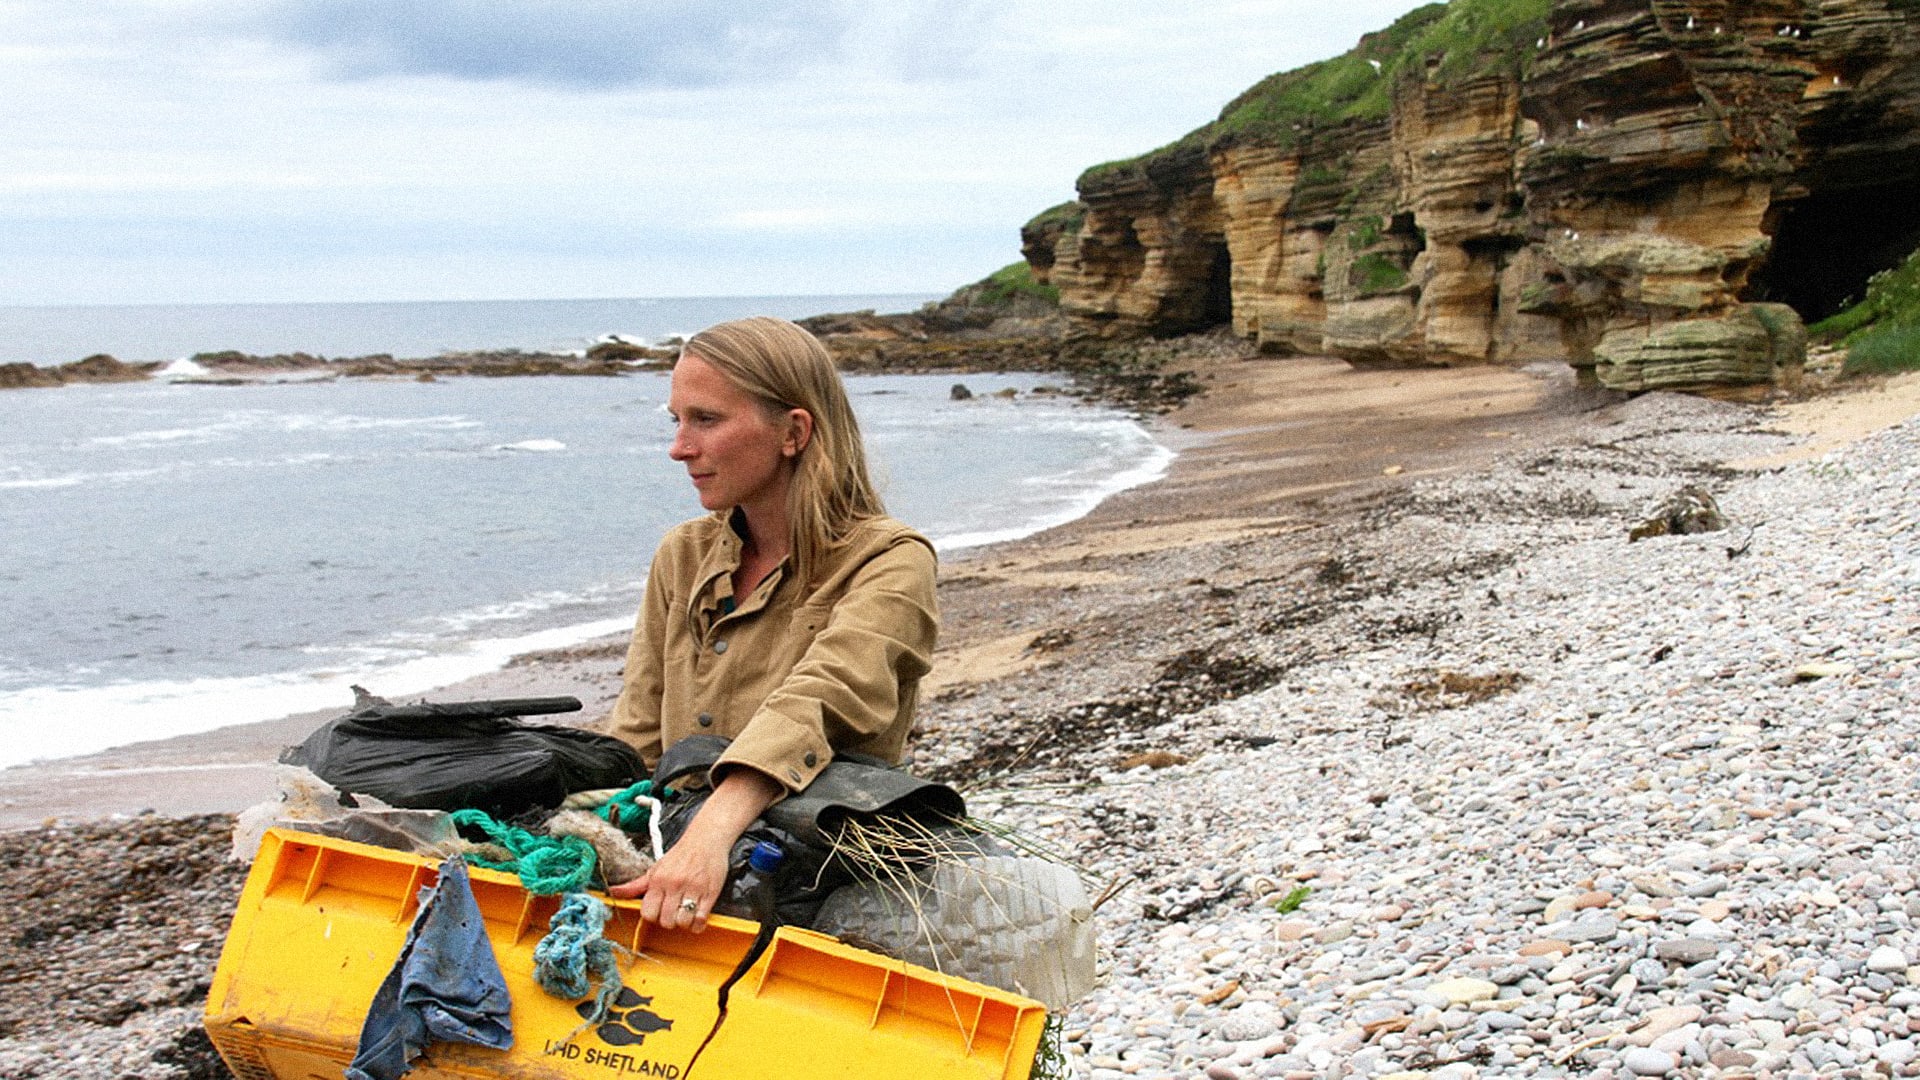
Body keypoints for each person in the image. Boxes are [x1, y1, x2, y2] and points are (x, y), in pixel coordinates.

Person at [602, 316, 938, 932]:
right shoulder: (683, 554)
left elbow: (826, 695)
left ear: (793, 432)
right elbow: (638, 736)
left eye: (706, 420)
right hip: (673, 866)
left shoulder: (891, 560)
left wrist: (710, 834)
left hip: (816, 878)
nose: (680, 447)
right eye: (676, 421)